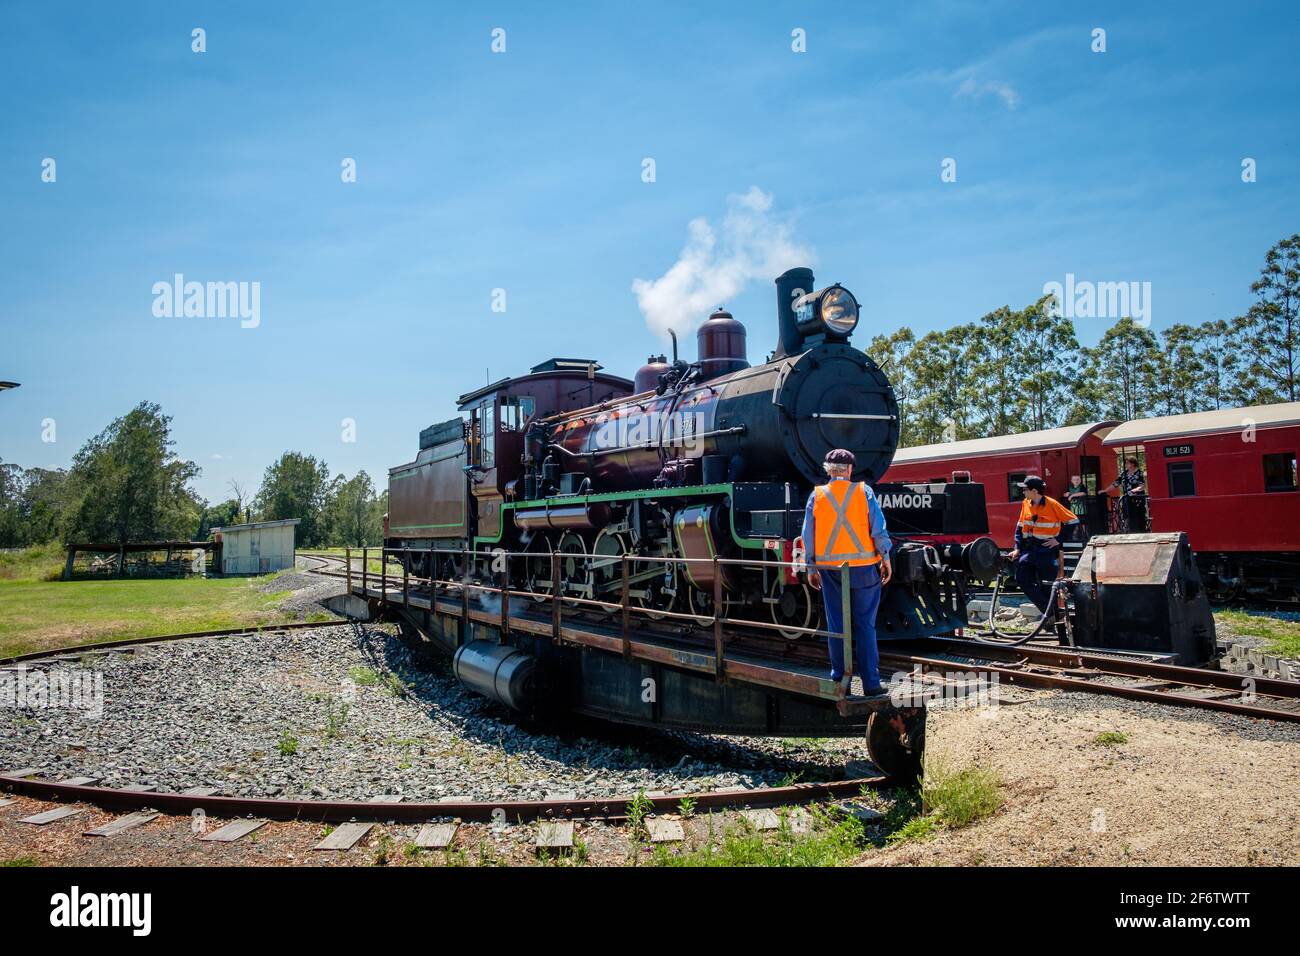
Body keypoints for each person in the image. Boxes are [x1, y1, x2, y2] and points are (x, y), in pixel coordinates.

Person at [795, 448, 893, 697]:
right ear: (849, 470)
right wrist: (886, 557)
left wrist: (811, 566)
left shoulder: (817, 496)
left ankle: (841, 682)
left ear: (828, 470)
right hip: (863, 570)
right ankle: (871, 684)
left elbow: (809, 535)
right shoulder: (864, 492)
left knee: (837, 625)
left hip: (830, 571)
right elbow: (878, 529)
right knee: (865, 626)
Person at [1007, 475, 1079, 615]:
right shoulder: (1025, 503)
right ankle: (1051, 612)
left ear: (1034, 491)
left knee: (1048, 587)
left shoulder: (1052, 504)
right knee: (1022, 579)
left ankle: (1051, 620)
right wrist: (1017, 549)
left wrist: (1058, 539)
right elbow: (1020, 528)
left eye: (1025, 489)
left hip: (1046, 550)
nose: (1023, 492)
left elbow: (1073, 521)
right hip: (1029, 550)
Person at [1107, 457, 1148, 531]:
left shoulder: (1139, 473)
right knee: (1128, 516)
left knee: (1139, 516)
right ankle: (1131, 531)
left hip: (1138, 499)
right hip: (1127, 499)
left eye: (1127, 463)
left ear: (1132, 464)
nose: (1125, 464)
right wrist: (1105, 490)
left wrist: (1134, 490)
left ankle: (1141, 531)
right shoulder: (1124, 473)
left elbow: (1142, 486)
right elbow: (1116, 483)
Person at [1065, 474, 1089, 541]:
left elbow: (1083, 493)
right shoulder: (1070, 488)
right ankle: (1075, 536)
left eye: (1078, 479)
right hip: (1072, 510)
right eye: (1074, 479)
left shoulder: (1082, 487)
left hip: (1081, 509)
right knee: (1074, 523)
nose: (1076, 481)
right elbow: (1065, 494)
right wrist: (1066, 494)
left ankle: (1085, 535)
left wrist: (1072, 495)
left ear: (1080, 480)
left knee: (1083, 523)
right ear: (1071, 481)